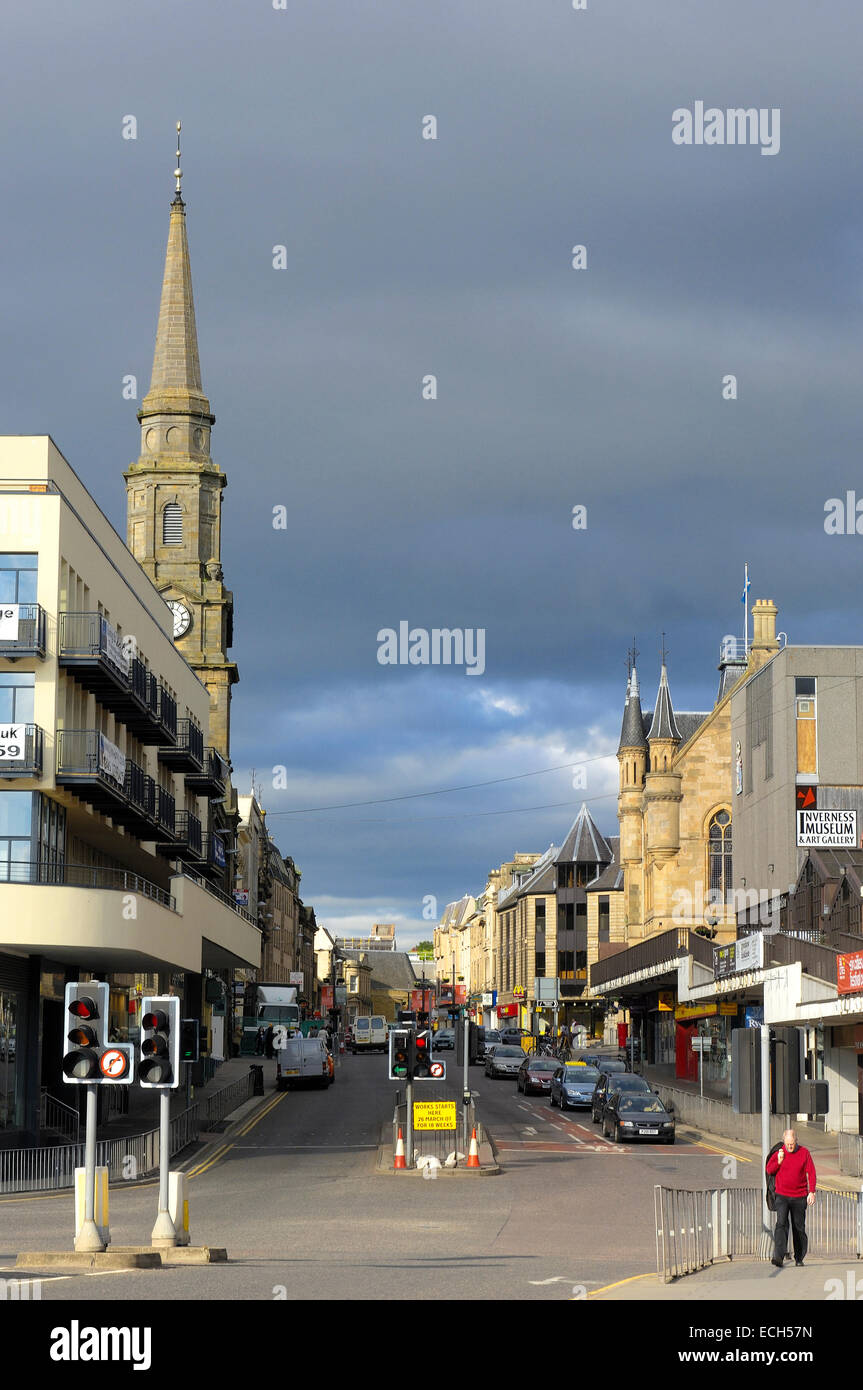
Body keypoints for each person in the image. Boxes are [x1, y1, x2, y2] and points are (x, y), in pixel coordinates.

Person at [766, 1128, 816, 1268]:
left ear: (796, 1141)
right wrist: (778, 1162)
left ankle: (799, 1257)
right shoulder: (779, 1152)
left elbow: (811, 1172)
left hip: (799, 1196)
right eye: (787, 1144)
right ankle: (778, 1257)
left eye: (792, 1144)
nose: (790, 1147)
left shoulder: (804, 1153)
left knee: (798, 1227)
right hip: (782, 1195)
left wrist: (812, 1191)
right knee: (781, 1224)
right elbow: (769, 1170)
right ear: (784, 1142)